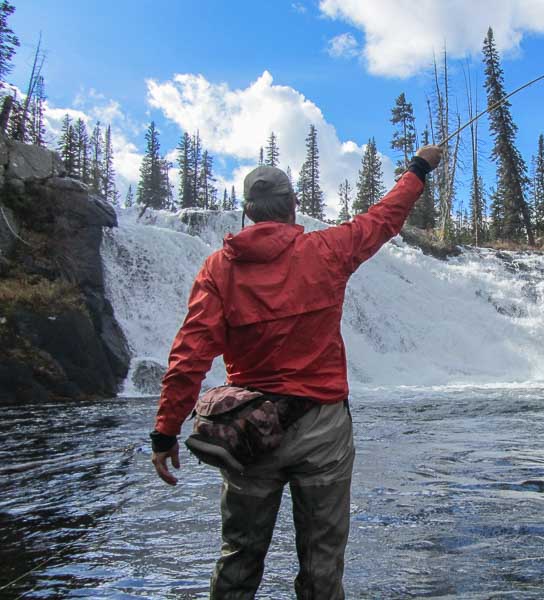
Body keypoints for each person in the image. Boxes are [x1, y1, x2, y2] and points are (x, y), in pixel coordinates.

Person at [149, 144, 443, 599]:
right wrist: (419, 168)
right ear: (292, 205)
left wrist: (165, 432)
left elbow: (189, 357)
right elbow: (384, 218)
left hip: (249, 430)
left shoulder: (218, 269)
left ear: (248, 212)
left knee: (239, 557)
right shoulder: (326, 250)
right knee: (321, 563)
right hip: (322, 427)